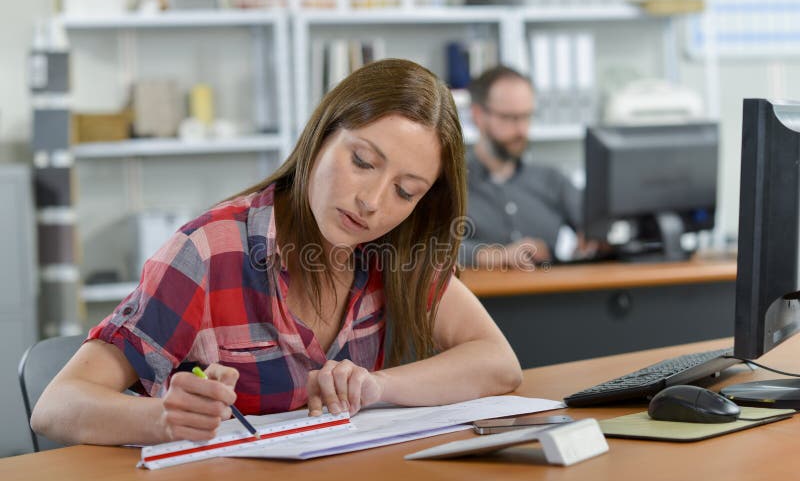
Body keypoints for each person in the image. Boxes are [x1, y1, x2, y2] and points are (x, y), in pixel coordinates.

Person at [31, 59, 523, 446]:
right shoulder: (206, 252)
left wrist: (378, 387)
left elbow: (497, 362)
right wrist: (162, 417)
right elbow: (56, 406)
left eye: (406, 190)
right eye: (361, 162)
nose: (372, 203)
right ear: (321, 135)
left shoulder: (394, 249)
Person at [460, 65, 583, 270]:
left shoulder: (552, 180)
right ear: (478, 116)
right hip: (482, 299)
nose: (521, 129)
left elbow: (597, 223)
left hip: (549, 296)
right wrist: (494, 256)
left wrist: (594, 237)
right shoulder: (451, 185)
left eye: (527, 116)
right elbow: (426, 249)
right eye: (510, 118)